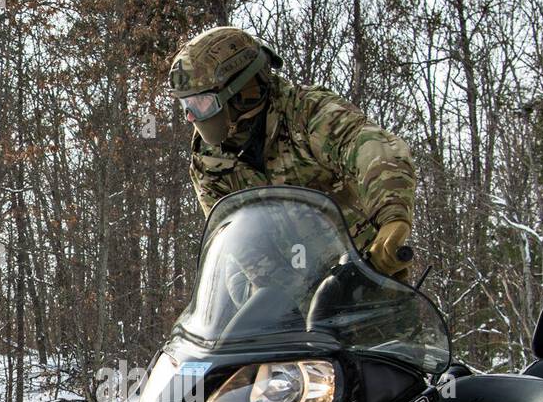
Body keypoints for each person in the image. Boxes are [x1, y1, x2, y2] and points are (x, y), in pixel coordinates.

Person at [168, 25, 416, 281]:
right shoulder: (209, 162)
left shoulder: (308, 113)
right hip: (287, 297)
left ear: (243, 91)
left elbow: (372, 148)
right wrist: (274, 294)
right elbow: (238, 241)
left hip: (366, 274)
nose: (190, 116)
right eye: (187, 105)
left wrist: (392, 217)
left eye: (201, 103)